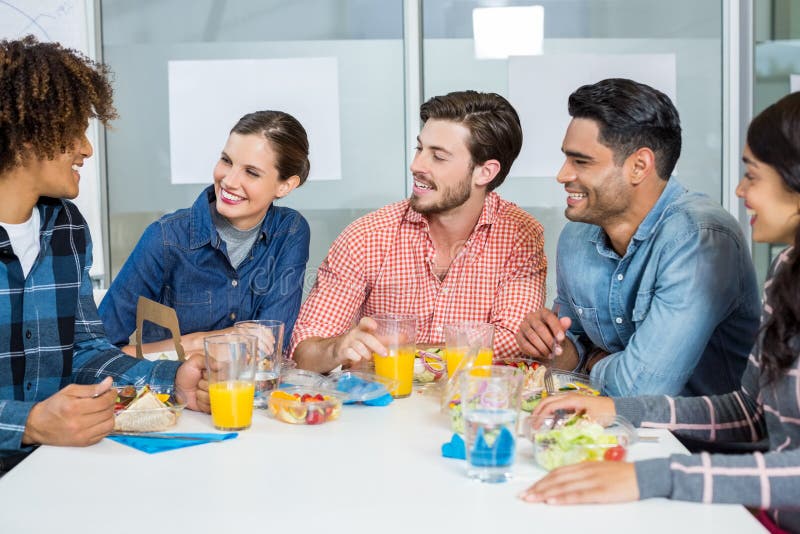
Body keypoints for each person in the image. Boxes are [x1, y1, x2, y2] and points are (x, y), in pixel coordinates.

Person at [520, 91, 800, 534]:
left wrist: (652, 476)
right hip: (750, 502)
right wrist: (611, 406)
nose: (739, 190)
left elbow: (644, 381)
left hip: (715, 476)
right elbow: (749, 414)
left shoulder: (701, 233)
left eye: (752, 174)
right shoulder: (787, 269)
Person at [0, 36, 207, 471]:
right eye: (74, 129)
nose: (87, 148)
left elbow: (85, 348)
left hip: (53, 473)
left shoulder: (67, 226)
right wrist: (30, 424)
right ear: (27, 132)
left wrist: (174, 381)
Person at [515, 78, 761, 397]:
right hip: (608, 431)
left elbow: (640, 389)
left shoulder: (700, 239)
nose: (563, 175)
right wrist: (550, 347)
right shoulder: (576, 236)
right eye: (566, 159)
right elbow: (569, 352)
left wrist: (592, 365)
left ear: (639, 166)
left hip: (698, 441)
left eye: (581, 161)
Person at [290, 90, 546, 373]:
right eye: (420, 149)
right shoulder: (366, 236)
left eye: (438, 156)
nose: (416, 165)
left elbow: (515, 341)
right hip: (382, 409)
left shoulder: (520, 235)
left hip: (469, 409)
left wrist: (398, 352)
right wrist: (337, 348)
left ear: (485, 172)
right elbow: (304, 351)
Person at [99, 110, 311, 356]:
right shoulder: (165, 239)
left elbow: (270, 346)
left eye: (251, 172)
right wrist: (202, 341)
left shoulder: (290, 232)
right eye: (226, 161)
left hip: (252, 393)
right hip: (170, 392)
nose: (229, 181)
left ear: (285, 185)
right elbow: (98, 352)